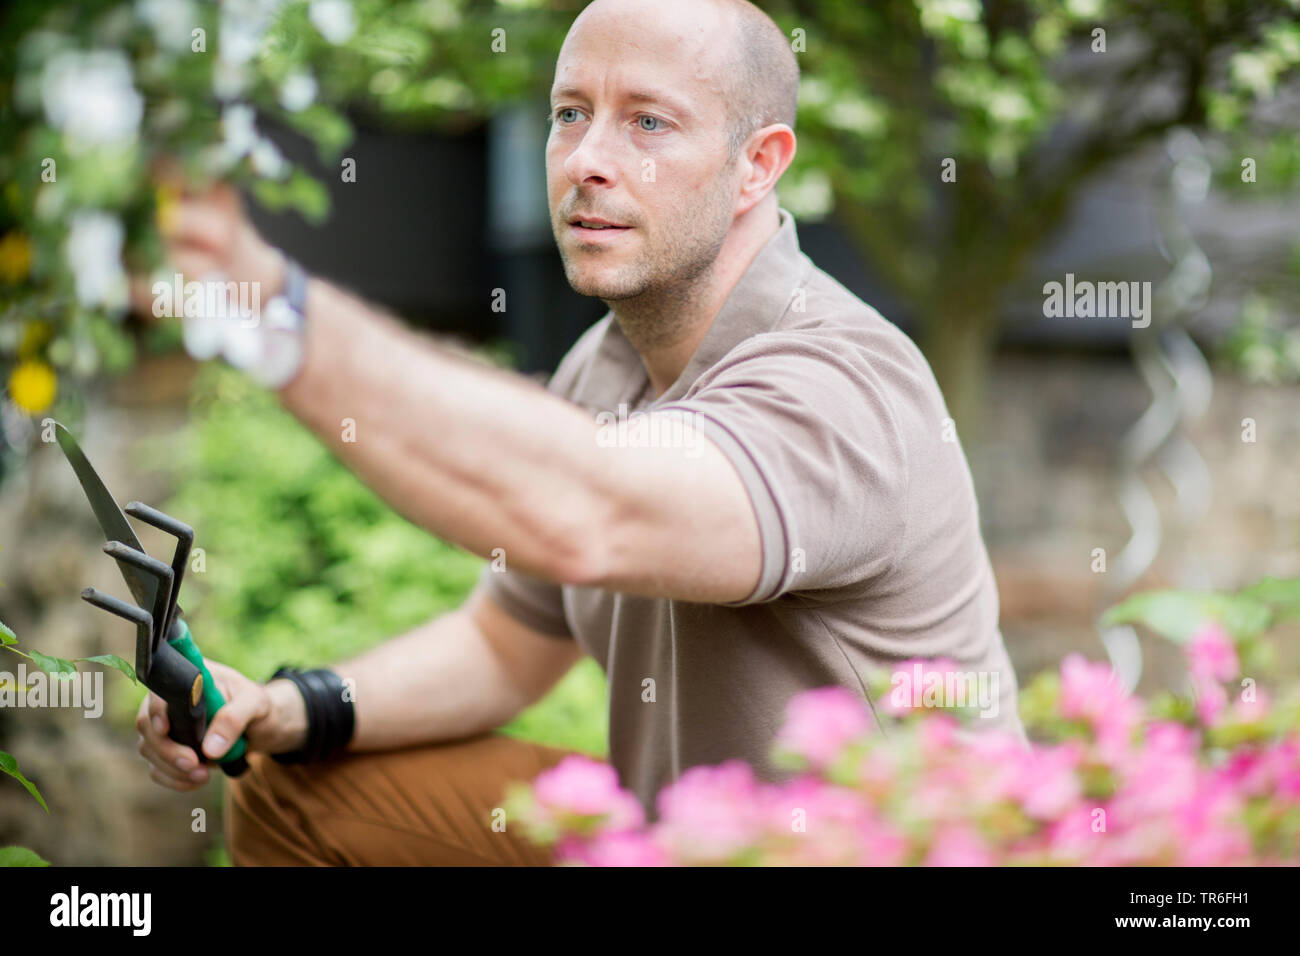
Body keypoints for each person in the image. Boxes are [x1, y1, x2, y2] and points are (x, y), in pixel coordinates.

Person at [133, 0, 1026, 866]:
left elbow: (590, 514)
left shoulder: (844, 381)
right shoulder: (605, 364)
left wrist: (270, 310)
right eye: (570, 113)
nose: (586, 159)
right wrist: (295, 707)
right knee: (294, 788)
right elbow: (505, 645)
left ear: (757, 165)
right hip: (670, 840)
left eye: (648, 123)